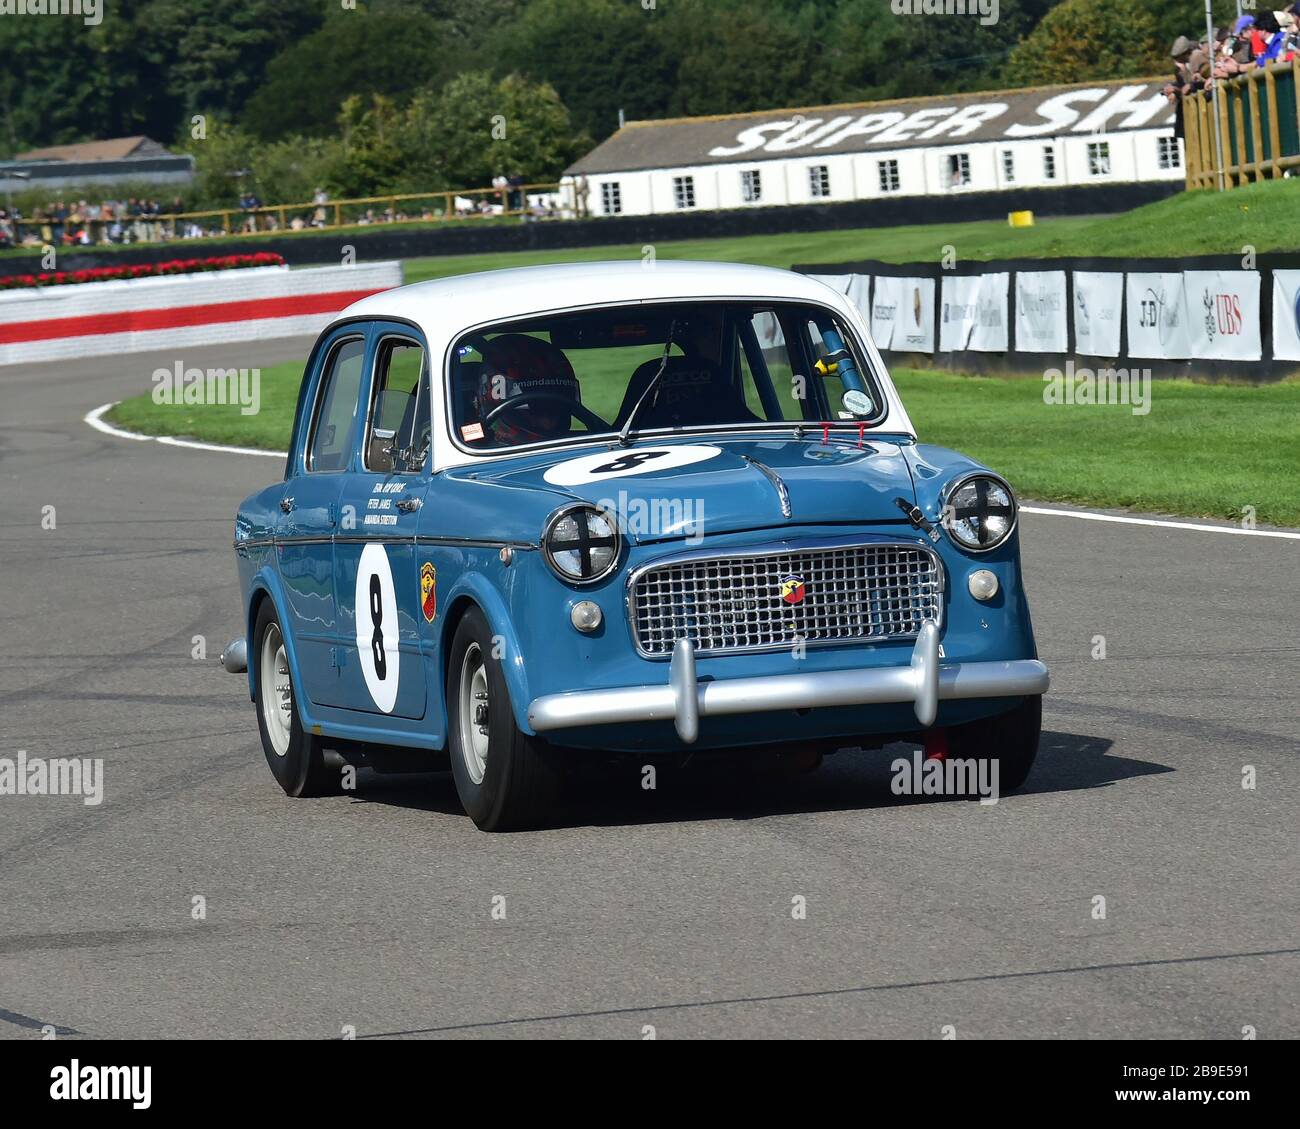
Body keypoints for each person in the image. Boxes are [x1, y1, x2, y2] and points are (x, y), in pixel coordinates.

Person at [473, 334, 581, 446]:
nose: (548, 424)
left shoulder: (590, 438)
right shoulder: (469, 446)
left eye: (554, 410)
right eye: (535, 411)